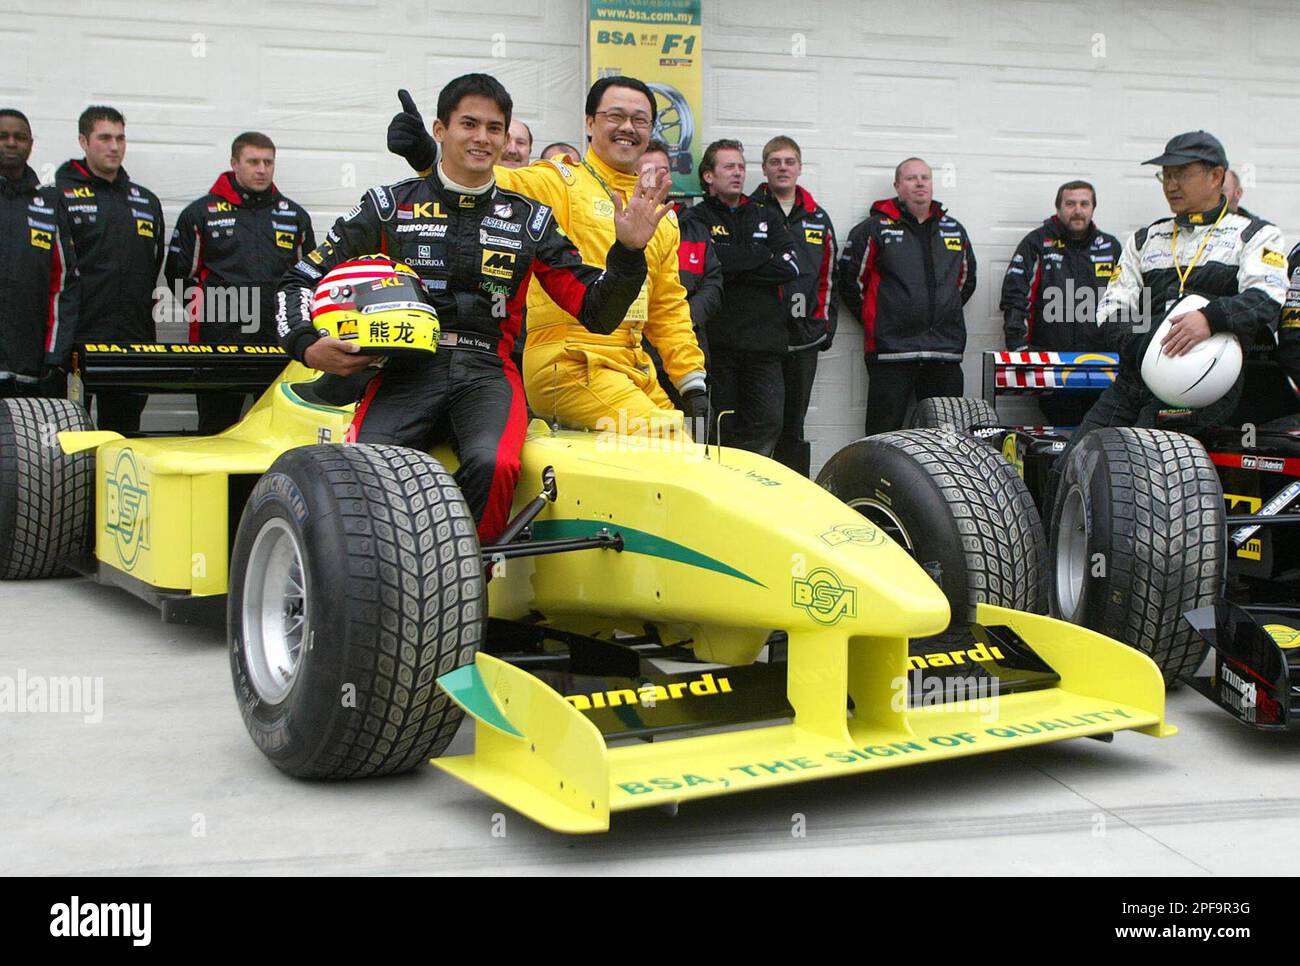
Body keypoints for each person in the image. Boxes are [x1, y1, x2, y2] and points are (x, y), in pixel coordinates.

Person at [278, 74, 664, 542]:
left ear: (505, 138)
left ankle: (466, 587)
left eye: (494, 128)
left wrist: (626, 253)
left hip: (488, 371)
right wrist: (307, 345)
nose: (482, 138)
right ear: (440, 131)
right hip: (405, 369)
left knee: (495, 462)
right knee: (366, 464)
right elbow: (299, 279)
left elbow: (595, 311)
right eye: (469, 124)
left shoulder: (531, 220)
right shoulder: (389, 205)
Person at [386, 77, 708, 436]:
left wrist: (691, 383)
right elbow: (488, 183)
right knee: (666, 436)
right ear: (589, 123)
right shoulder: (558, 181)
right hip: (567, 362)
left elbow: (668, 307)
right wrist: (428, 155)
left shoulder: (656, 211)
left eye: (640, 120)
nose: (628, 128)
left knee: (695, 444)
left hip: (634, 364)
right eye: (615, 116)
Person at [1065, 131, 1287, 456]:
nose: (1170, 185)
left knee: (1134, 463)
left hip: (1204, 386)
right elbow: (1110, 311)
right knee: (1077, 458)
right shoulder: (1146, 239)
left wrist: (1209, 320)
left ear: (1215, 176)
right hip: (1134, 378)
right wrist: (1145, 345)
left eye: (1181, 174)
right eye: (1165, 176)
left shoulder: (1254, 234)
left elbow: (1267, 298)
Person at [167, 131, 315, 433]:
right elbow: (179, 276)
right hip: (219, 346)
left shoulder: (294, 216)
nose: (261, 169)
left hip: (279, 346)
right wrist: (213, 316)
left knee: (278, 430)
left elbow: (308, 279)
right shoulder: (201, 213)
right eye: (253, 162)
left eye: (268, 162)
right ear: (235, 163)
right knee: (216, 429)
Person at [837, 157, 976, 435]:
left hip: (943, 352)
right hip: (892, 353)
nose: (920, 183)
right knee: (883, 434)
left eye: (925, 177)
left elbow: (965, 282)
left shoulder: (954, 230)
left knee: (946, 437)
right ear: (897, 185)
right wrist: (881, 320)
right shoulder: (874, 229)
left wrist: (941, 313)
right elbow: (850, 282)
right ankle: (874, 480)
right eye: (912, 178)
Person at [681, 139, 798, 455]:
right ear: (708, 176)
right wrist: (759, 254)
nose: (738, 173)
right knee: (719, 425)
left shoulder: (767, 215)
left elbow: (790, 266)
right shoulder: (696, 218)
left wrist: (729, 263)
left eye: (741, 166)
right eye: (729, 167)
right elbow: (705, 265)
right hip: (718, 344)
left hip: (765, 345)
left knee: (769, 421)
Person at [57, 105, 164, 434]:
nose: (114, 146)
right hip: (76, 340)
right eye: (104, 138)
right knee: (69, 437)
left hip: (132, 339)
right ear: (83, 141)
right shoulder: (58, 196)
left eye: (120, 138)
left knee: (123, 435)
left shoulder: (145, 201)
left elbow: (155, 263)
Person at [999, 180, 1122, 425]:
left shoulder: (1110, 246)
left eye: (1084, 204)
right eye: (1070, 204)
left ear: (1093, 208)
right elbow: (1015, 296)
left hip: (1102, 364)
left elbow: (1126, 301)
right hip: (1053, 364)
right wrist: (1019, 347)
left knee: (1101, 432)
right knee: (1063, 432)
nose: (1078, 210)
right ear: (1058, 208)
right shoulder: (1036, 243)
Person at [752, 135, 837, 474]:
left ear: (799, 168)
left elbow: (829, 275)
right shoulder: (750, 210)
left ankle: (794, 491)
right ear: (764, 169)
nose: (783, 168)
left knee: (794, 424)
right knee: (761, 420)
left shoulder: (817, 217)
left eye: (789, 162)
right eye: (775, 162)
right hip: (759, 339)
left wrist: (824, 324)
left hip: (805, 337)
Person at [0, 109, 78, 397]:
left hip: (29, 365)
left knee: (26, 444)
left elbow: (64, 285)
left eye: (19, 137)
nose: (11, 143)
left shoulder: (49, 203)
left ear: (30, 144)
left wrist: (55, 354)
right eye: (3, 136)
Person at [638, 139, 721, 406]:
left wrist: (682, 318)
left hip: (689, 357)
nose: (660, 178)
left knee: (693, 435)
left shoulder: (693, 226)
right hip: (639, 360)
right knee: (645, 440)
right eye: (651, 172)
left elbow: (713, 283)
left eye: (665, 170)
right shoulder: (619, 225)